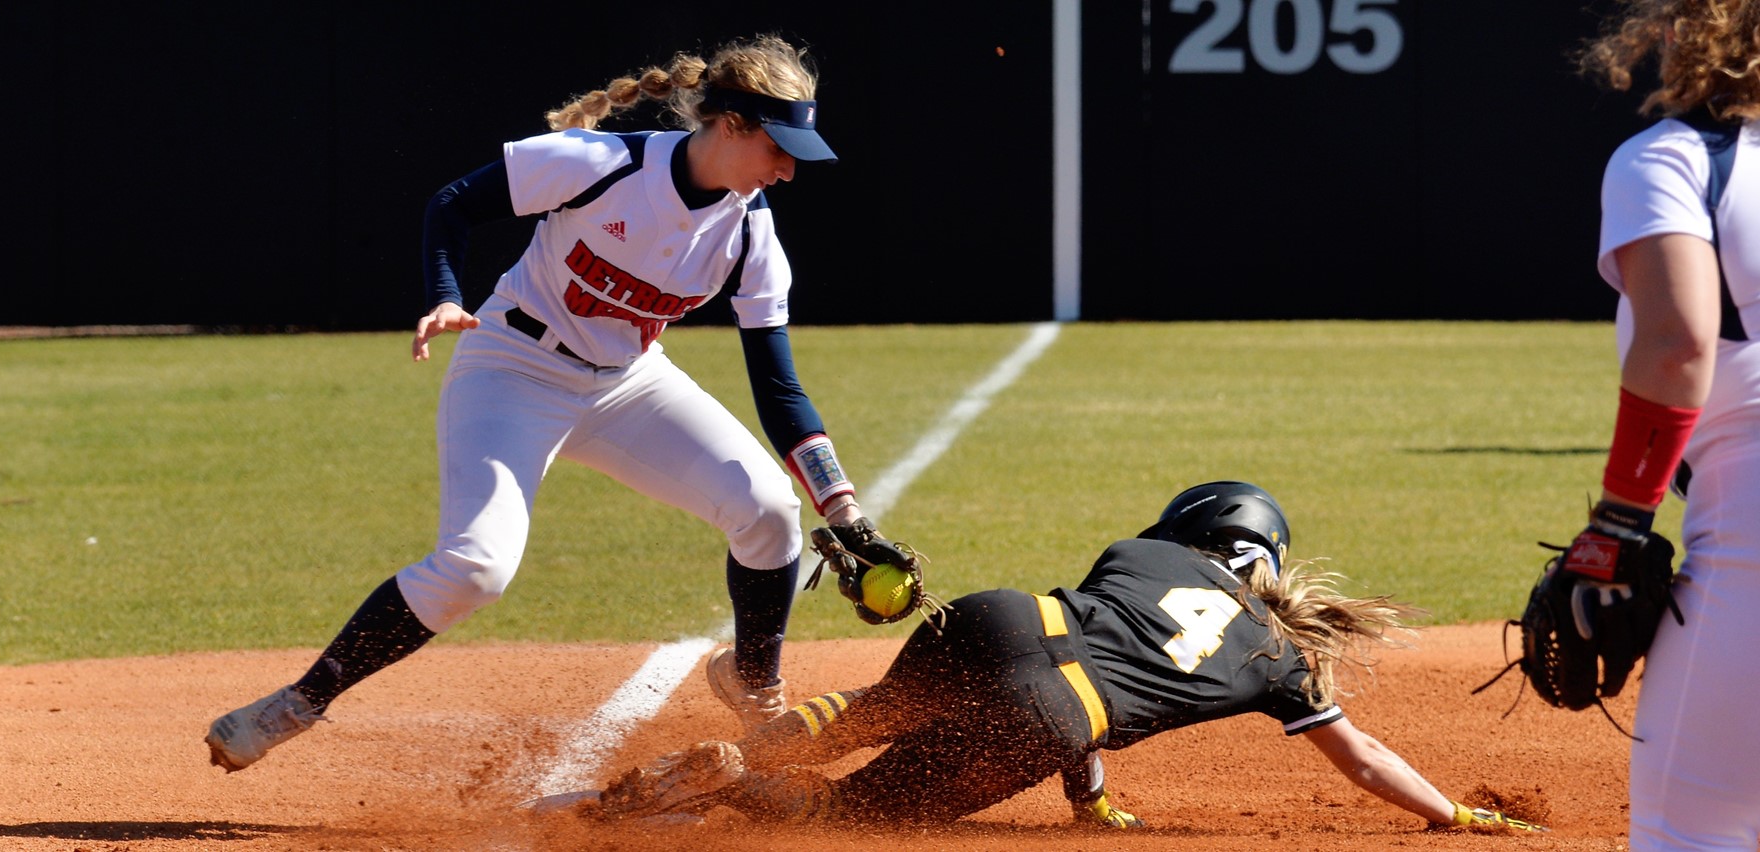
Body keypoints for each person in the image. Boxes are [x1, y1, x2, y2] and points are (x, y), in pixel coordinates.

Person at [205, 34, 892, 771]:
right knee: (475, 569)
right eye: (778, 147)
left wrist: (842, 508)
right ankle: (294, 705)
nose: (787, 169)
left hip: (629, 382)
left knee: (767, 511)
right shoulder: (604, 165)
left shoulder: (751, 231)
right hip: (514, 369)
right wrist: (444, 297)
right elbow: (453, 205)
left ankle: (753, 680)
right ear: (729, 126)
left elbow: (778, 385)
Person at [594, 482, 1545, 832]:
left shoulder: (1148, 554)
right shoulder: (1281, 660)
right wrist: (1451, 812)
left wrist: (1086, 793)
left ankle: (759, 743)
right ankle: (733, 782)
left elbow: (1083, 642)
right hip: (1053, 713)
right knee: (849, 816)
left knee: (875, 710)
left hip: (1003, 617)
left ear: (1197, 530)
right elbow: (1365, 760)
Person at [1562, 3, 1760, 847]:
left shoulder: (1673, 156)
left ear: (1684, 34)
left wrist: (1616, 526)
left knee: (1693, 832)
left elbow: (1679, 347)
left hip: (1748, 515)